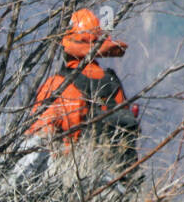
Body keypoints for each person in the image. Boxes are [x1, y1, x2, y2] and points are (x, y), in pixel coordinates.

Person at [29, 8, 135, 149]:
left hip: (68, 164)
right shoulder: (113, 84)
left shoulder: (57, 85)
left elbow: (39, 136)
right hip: (110, 166)